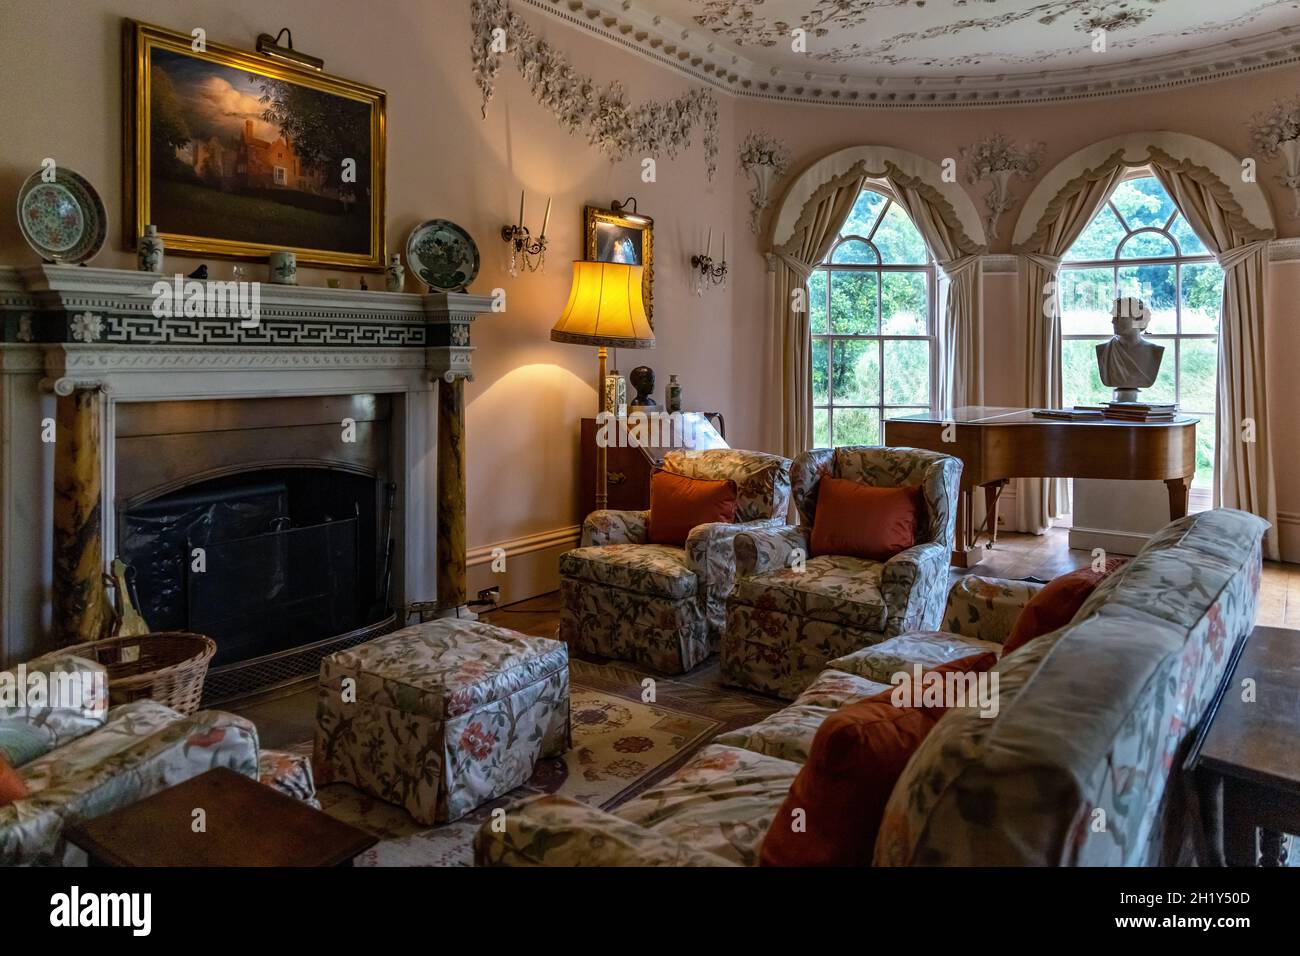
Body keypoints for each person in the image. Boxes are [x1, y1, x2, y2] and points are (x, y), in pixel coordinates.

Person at [1095, 297, 1164, 403]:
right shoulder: (1104, 351)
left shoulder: (1155, 352)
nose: (1113, 321)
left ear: (1137, 318)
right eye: (1114, 316)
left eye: (1119, 317)